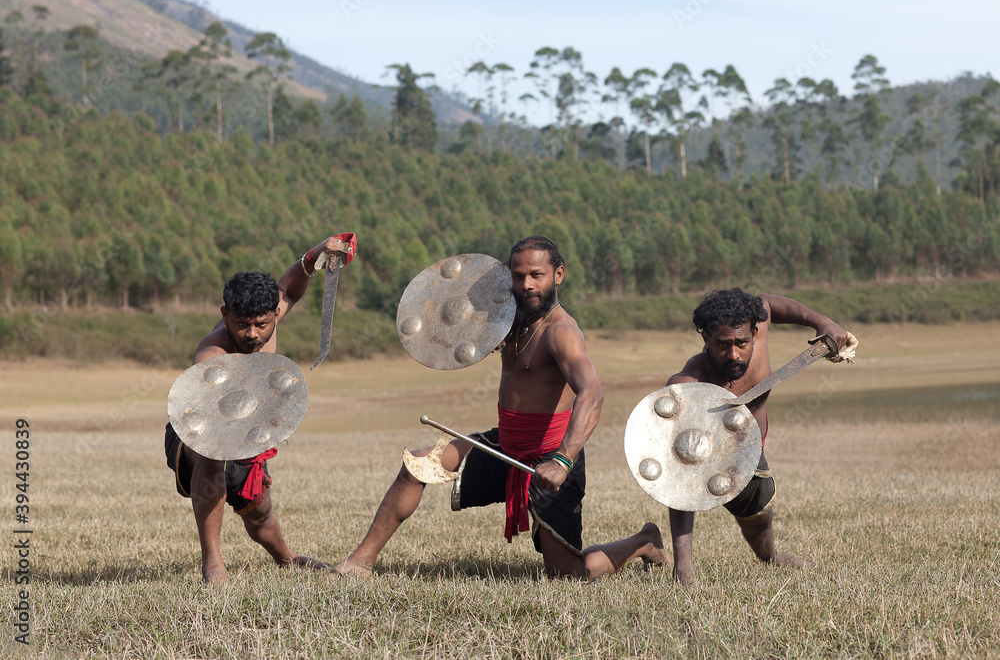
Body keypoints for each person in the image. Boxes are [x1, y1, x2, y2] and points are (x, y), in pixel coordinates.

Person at [335, 236, 666, 578]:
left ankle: (644, 541)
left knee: (567, 574)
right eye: (518, 276)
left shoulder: (562, 332)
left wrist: (562, 461)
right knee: (418, 465)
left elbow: (592, 394)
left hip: (549, 457)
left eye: (536, 275)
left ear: (558, 275)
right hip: (504, 446)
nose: (526, 285)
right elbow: (454, 311)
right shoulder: (510, 320)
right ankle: (360, 562)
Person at [165, 234, 355, 584]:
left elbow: (290, 288)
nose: (252, 334)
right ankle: (212, 563)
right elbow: (205, 412)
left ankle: (288, 559)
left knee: (259, 512)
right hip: (201, 430)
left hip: (249, 436)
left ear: (275, 315)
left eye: (262, 324)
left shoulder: (272, 313)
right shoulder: (212, 353)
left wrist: (317, 253)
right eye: (242, 324)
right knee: (212, 459)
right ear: (226, 316)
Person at [666, 288, 850, 586]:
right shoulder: (689, 382)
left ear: (755, 332)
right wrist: (683, 567)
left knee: (759, 516)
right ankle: (681, 566)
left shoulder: (759, 329)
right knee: (686, 472)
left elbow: (768, 302)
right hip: (705, 455)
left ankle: (771, 557)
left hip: (750, 452)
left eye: (741, 343)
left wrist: (822, 322)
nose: (733, 354)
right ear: (706, 339)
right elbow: (677, 481)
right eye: (722, 344)